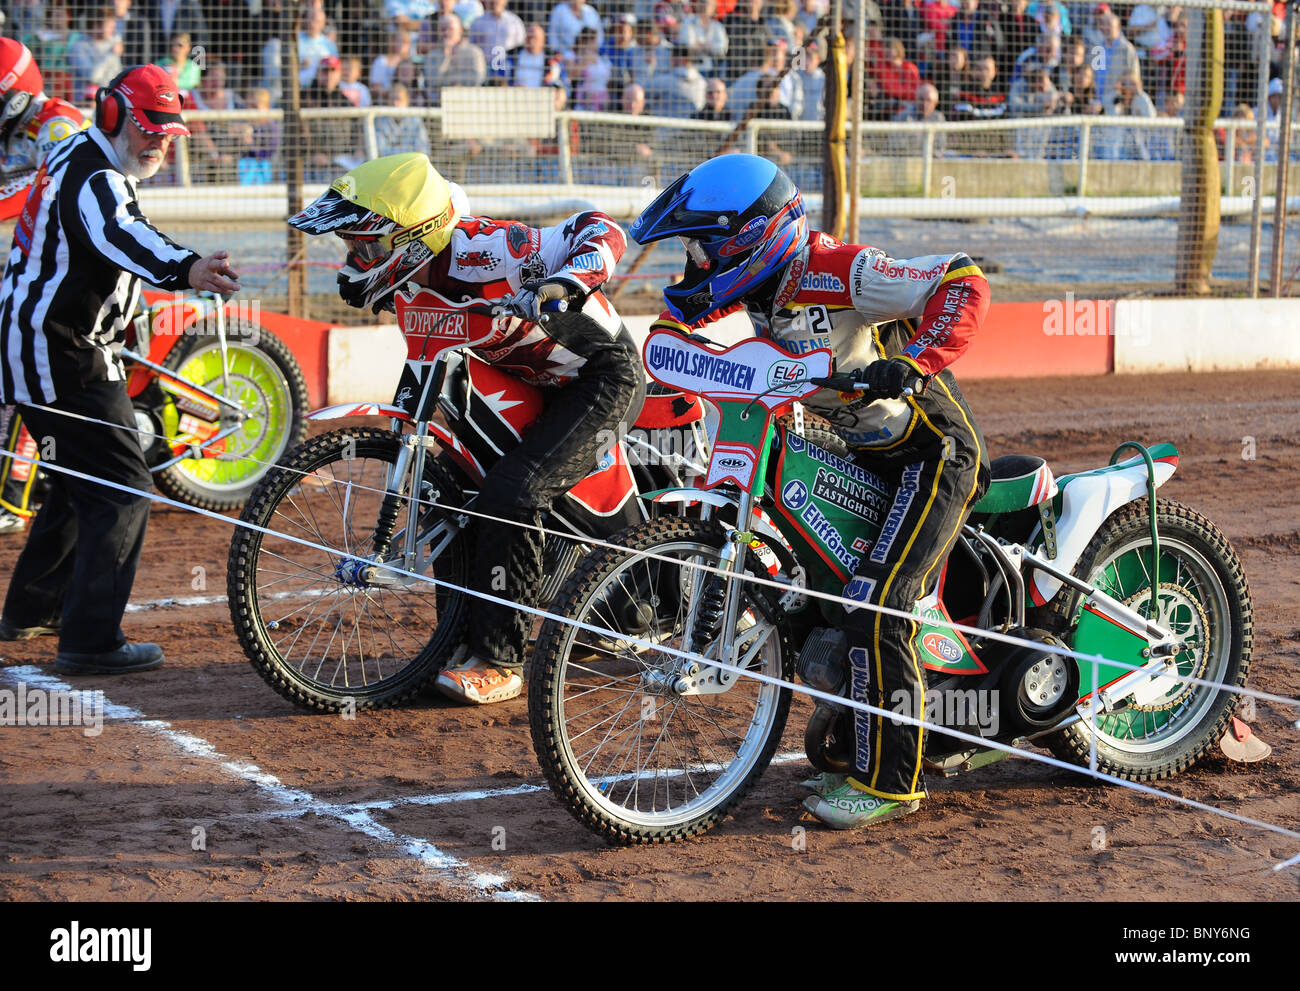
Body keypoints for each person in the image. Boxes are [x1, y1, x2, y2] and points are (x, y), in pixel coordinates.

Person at [629, 154, 990, 829]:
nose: (695, 264)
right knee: (808, 590)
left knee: (876, 602)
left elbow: (962, 280)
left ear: (747, 239)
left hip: (933, 453)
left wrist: (913, 364)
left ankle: (890, 784)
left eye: (701, 247)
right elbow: (683, 323)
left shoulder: (840, 271)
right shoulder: (759, 290)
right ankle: (853, 727)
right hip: (864, 456)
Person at [287, 152, 642, 705]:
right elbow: (424, 375)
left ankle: (503, 662)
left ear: (414, 236)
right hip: (524, 377)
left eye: (368, 245)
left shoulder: (488, 250)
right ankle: (459, 638)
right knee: (450, 490)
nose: (357, 258)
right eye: (352, 246)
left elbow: (601, 228)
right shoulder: (406, 282)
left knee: (513, 492)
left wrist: (569, 281)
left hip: (598, 377)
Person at [0, 64, 240, 672]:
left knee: (79, 483)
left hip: (41, 347)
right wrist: (187, 268)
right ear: (112, 115)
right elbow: (121, 232)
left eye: (168, 130)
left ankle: (32, 612)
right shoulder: (95, 175)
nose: (160, 139)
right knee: (124, 491)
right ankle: (91, 642)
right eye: (149, 126)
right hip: (64, 354)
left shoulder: (79, 153)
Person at [0, 38, 88, 534]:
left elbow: (49, 188)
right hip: (40, 264)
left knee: (24, 366)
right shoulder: (7, 131)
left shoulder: (56, 122)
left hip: (84, 266)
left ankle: (13, 499)